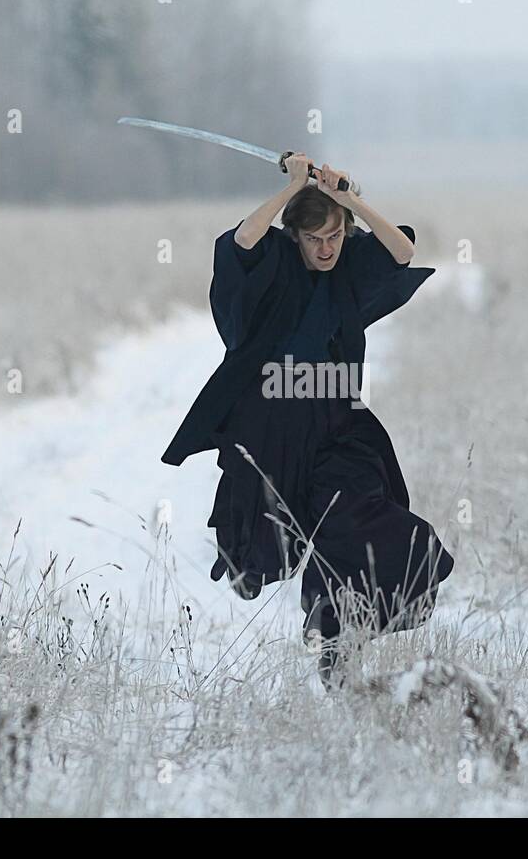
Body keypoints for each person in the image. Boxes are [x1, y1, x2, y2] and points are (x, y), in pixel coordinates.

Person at [161, 153, 454, 689]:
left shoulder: (348, 270)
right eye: (314, 238)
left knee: (365, 519)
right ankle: (332, 631)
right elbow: (239, 244)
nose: (326, 248)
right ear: (294, 236)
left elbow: (403, 250)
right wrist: (294, 185)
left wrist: (349, 200)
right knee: (275, 540)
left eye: (335, 236)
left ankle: (336, 630)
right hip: (275, 428)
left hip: (342, 421)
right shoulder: (272, 265)